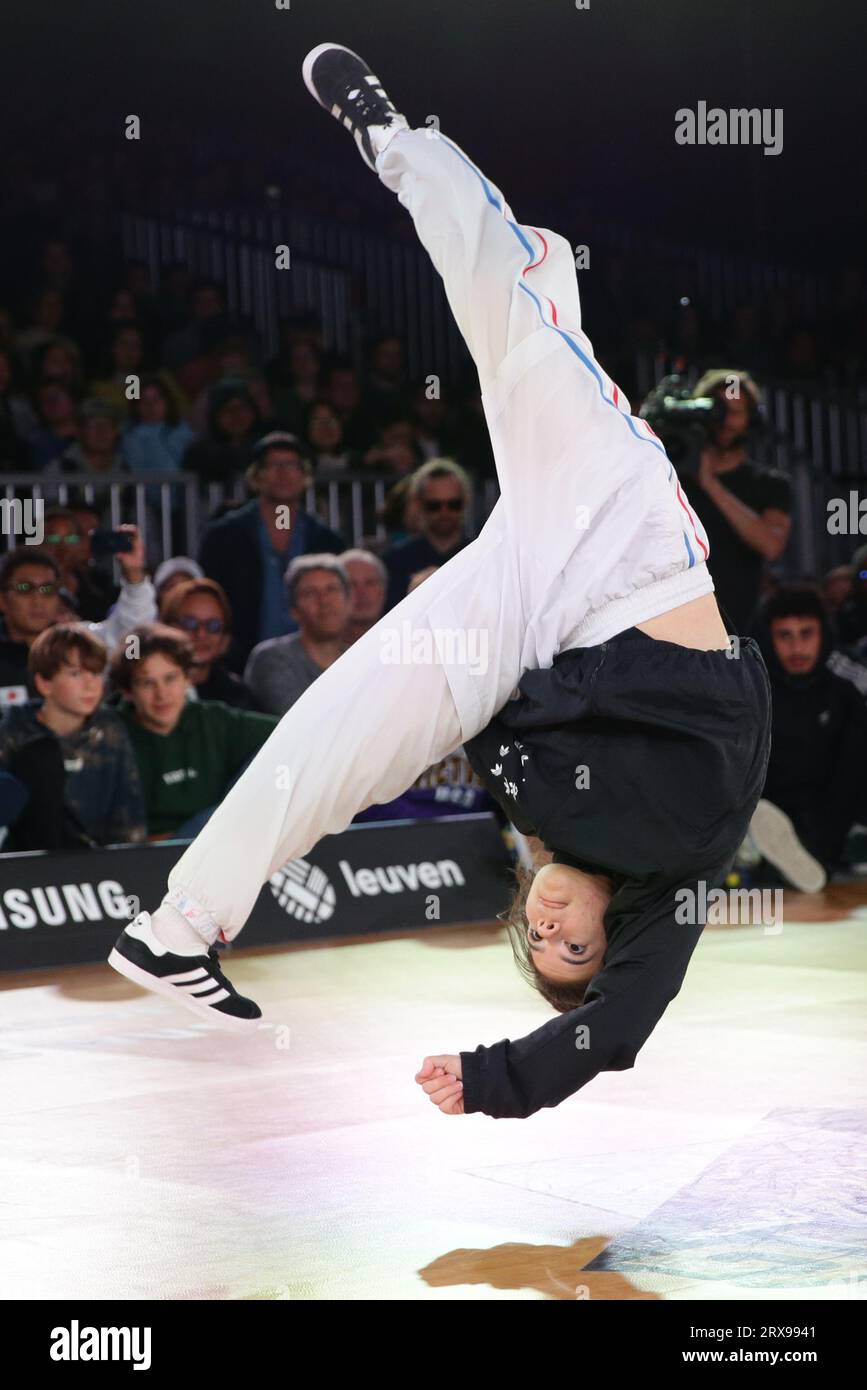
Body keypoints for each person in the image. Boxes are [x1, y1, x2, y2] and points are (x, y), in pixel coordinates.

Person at [108, 47, 770, 1124]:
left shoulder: (540, 816)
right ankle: (389, 136)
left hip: (528, 616)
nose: (554, 923)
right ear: (618, 935)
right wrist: (503, 1078)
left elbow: (485, 740)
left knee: (355, 720)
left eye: (538, 941)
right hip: (624, 542)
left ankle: (179, 924)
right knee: (510, 318)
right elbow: (616, 1030)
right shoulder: (679, 877)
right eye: (576, 945)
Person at [748, 584, 867, 889]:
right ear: (769, 637)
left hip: (833, 806)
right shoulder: (751, 682)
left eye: (806, 634)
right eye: (784, 636)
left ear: (822, 634)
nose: (797, 648)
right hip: (768, 806)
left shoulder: (847, 677)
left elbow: (851, 773)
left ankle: (832, 851)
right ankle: (754, 851)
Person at [112, 624, 278, 840]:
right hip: (139, 858)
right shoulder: (111, 733)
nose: (161, 694)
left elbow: (292, 732)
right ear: (128, 691)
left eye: (170, 678)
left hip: (216, 847)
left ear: (187, 679)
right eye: (147, 683)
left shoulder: (214, 720)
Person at [197, 431, 344, 672]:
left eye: (291, 465)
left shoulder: (328, 541)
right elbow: (210, 597)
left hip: (315, 668)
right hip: (238, 665)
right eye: (273, 465)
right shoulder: (222, 538)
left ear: (305, 476)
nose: (283, 473)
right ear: (256, 477)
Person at [0, 624, 147, 852]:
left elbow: (127, 809)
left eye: (96, 674)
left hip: (101, 866)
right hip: (26, 867)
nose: (90, 685)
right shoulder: (14, 729)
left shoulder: (110, 728)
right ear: (44, 683)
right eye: (76, 674)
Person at [686, 368, 792, 631]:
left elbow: (771, 544)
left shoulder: (770, 484)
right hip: (682, 622)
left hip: (741, 626)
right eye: (717, 410)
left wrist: (710, 484)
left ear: (751, 419)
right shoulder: (671, 479)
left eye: (734, 412)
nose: (724, 421)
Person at [244, 555, 351, 715]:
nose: (324, 601)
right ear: (293, 610)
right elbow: (298, 722)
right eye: (310, 593)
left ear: (348, 601)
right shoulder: (272, 658)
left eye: (332, 589)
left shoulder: (359, 659)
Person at [382, 458, 471, 607]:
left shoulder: (480, 556)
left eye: (454, 504)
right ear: (419, 504)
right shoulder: (396, 560)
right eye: (434, 505)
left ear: (465, 502)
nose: (445, 512)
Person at [160, 577, 256, 709]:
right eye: (190, 623)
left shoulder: (238, 696)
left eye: (213, 626)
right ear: (167, 628)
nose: (201, 634)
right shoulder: (148, 691)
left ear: (225, 638)